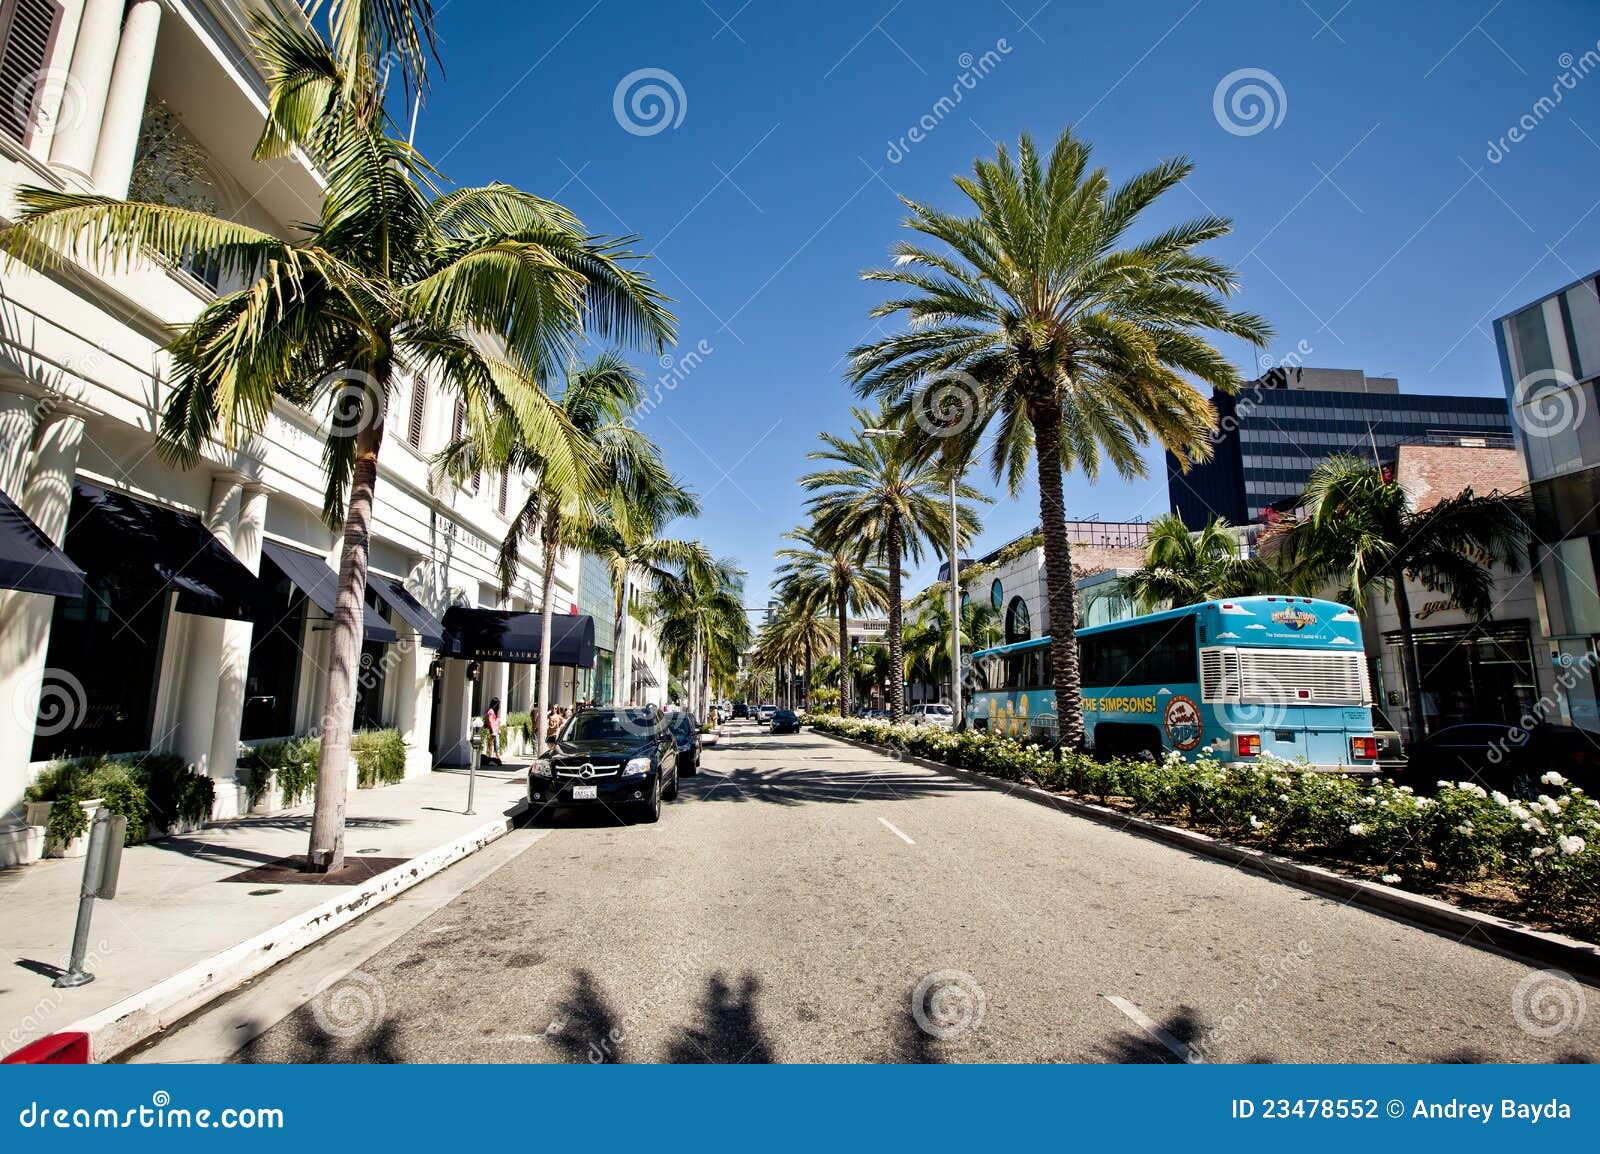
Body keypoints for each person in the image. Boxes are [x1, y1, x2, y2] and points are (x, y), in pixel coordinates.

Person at [484, 697, 502, 765]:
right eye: (498, 704)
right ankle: (491, 758)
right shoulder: (491, 711)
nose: (499, 706)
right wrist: (492, 731)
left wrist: (498, 729)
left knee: (496, 745)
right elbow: (490, 721)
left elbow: (495, 721)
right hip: (492, 731)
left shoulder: (494, 711)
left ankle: (495, 758)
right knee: (492, 745)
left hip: (495, 731)